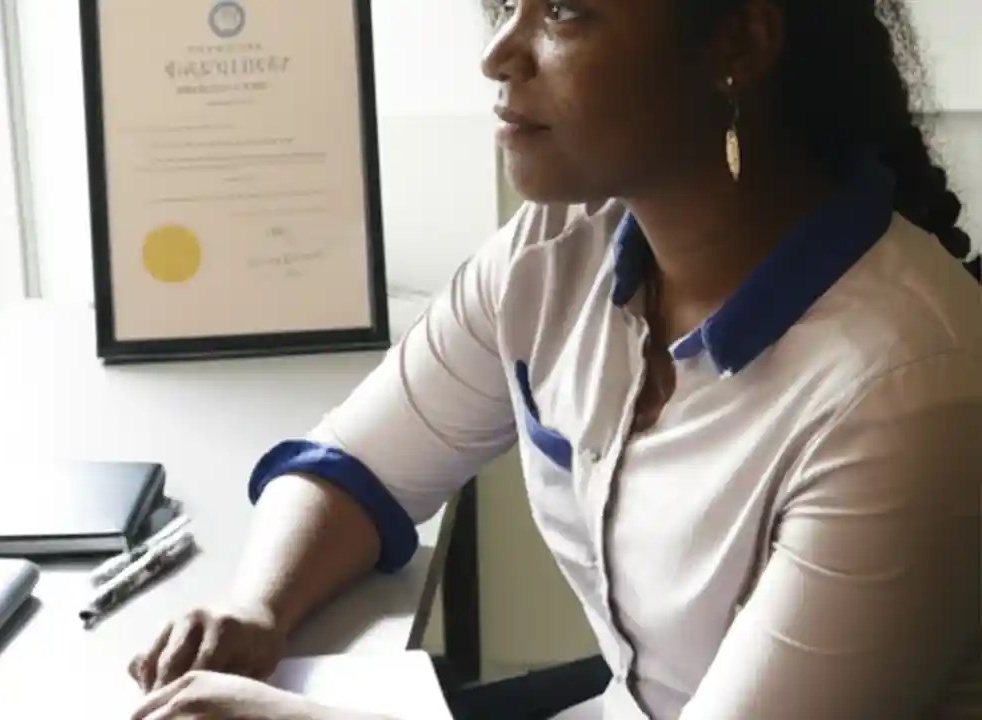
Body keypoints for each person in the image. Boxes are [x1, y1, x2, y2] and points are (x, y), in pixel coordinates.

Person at [128, 0, 982, 717]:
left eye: (564, 11)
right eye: (508, 3)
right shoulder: (563, 239)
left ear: (737, 44)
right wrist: (255, 608)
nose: (498, 54)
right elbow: (356, 465)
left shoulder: (906, 393)